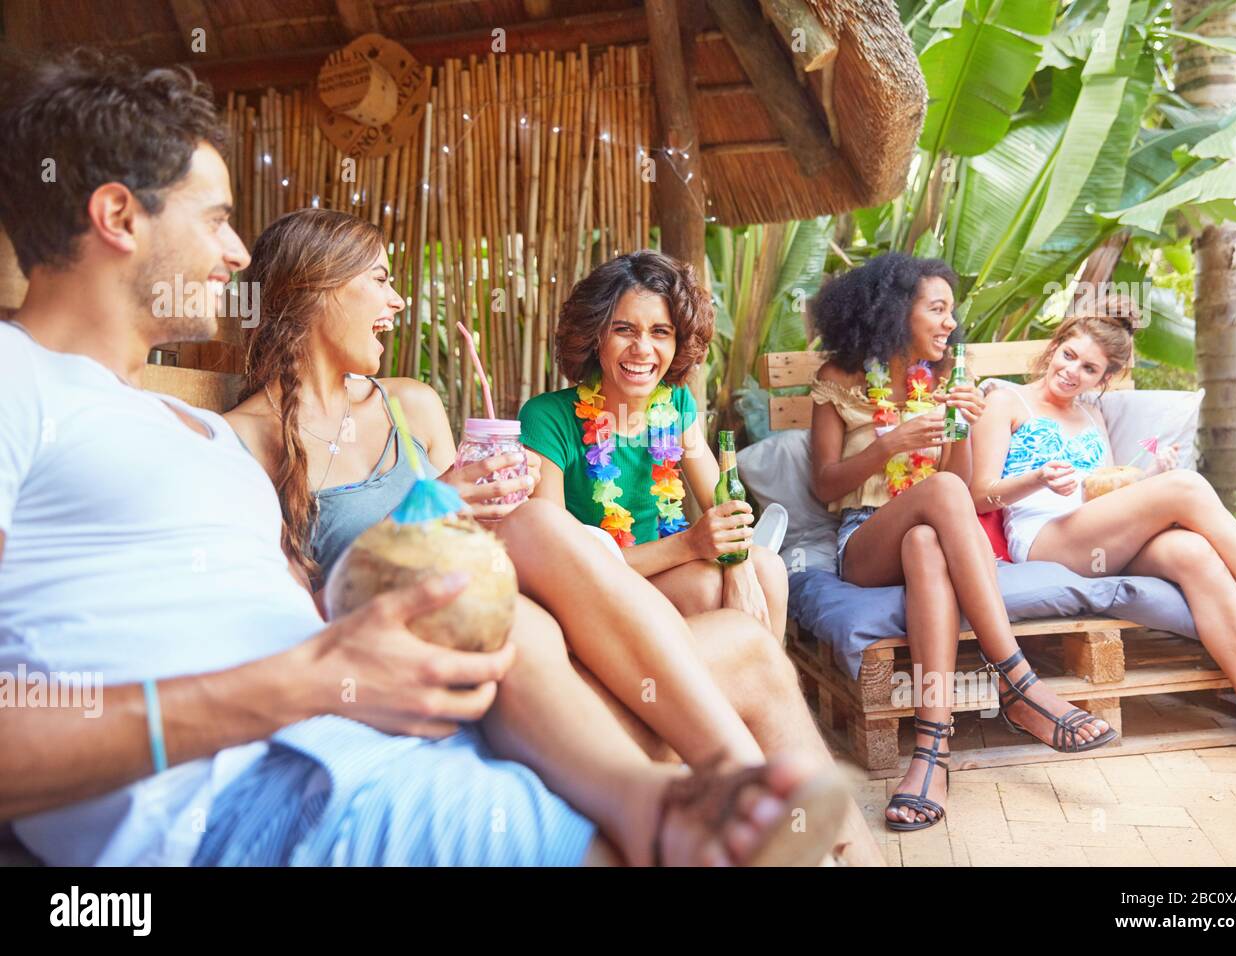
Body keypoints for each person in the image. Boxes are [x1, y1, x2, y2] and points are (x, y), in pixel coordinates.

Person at [0, 49, 851, 867]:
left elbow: (320, 609)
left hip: (372, 732)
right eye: (219, 219)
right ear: (117, 217)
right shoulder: (19, 381)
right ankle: (672, 809)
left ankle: (700, 810)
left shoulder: (195, 436)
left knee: (649, 615)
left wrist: (435, 525)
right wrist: (305, 682)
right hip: (271, 789)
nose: (235, 253)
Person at [223, 207, 880, 864]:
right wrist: (425, 516)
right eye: (380, 279)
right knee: (542, 527)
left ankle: (810, 828)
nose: (398, 299)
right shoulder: (248, 440)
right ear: (317, 287)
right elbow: (294, 623)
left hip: (523, 639)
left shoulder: (410, 404)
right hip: (411, 652)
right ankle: (745, 790)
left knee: (744, 643)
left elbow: (477, 527)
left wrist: (475, 501)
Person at [808, 252, 1118, 831]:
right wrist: (889, 444)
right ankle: (1020, 683)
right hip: (865, 539)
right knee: (940, 497)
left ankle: (930, 755)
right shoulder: (839, 378)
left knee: (928, 539)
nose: (951, 322)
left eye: (952, 310)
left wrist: (962, 426)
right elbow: (823, 484)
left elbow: (970, 495)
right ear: (898, 310)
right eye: (938, 308)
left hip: (937, 540)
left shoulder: (951, 376)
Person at [970, 296, 1236, 783]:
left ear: (1103, 379)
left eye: (1089, 368)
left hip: (1096, 533)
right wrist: (1037, 478)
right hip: (1045, 537)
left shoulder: (1091, 417)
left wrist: (1149, 476)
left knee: (1195, 552)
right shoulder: (1004, 400)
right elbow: (980, 496)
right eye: (1068, 355)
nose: (1072, 372)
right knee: (1186, 488)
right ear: (1054, 347)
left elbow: (1102, 489)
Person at [518, 251, 789, 639]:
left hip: (664, 572)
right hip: (588, 588)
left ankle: (761, 691)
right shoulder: (547, 419)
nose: (642, 348)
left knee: (769, 571)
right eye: (624, 329)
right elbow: (558, 564)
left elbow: (722, 509)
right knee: (705, 587)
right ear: (595, 336)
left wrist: (740, 566)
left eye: (660, 332)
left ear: (678, 342)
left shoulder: (676, 406)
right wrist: (691, 545)